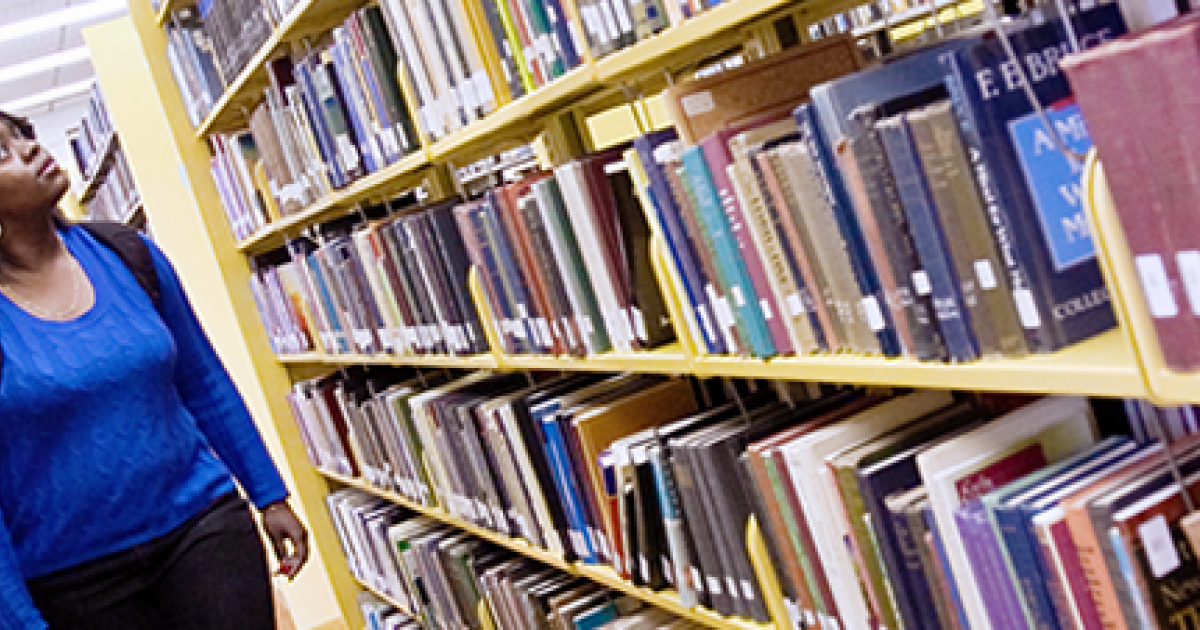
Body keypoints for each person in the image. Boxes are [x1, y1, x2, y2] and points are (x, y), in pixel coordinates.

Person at [0, 109, 309, 629]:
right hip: (72, 579)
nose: (30, 149)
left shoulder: (126, 253)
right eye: (2, 153)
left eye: (23, 136)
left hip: (201, 528)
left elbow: (204, 380)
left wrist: (269, 494)